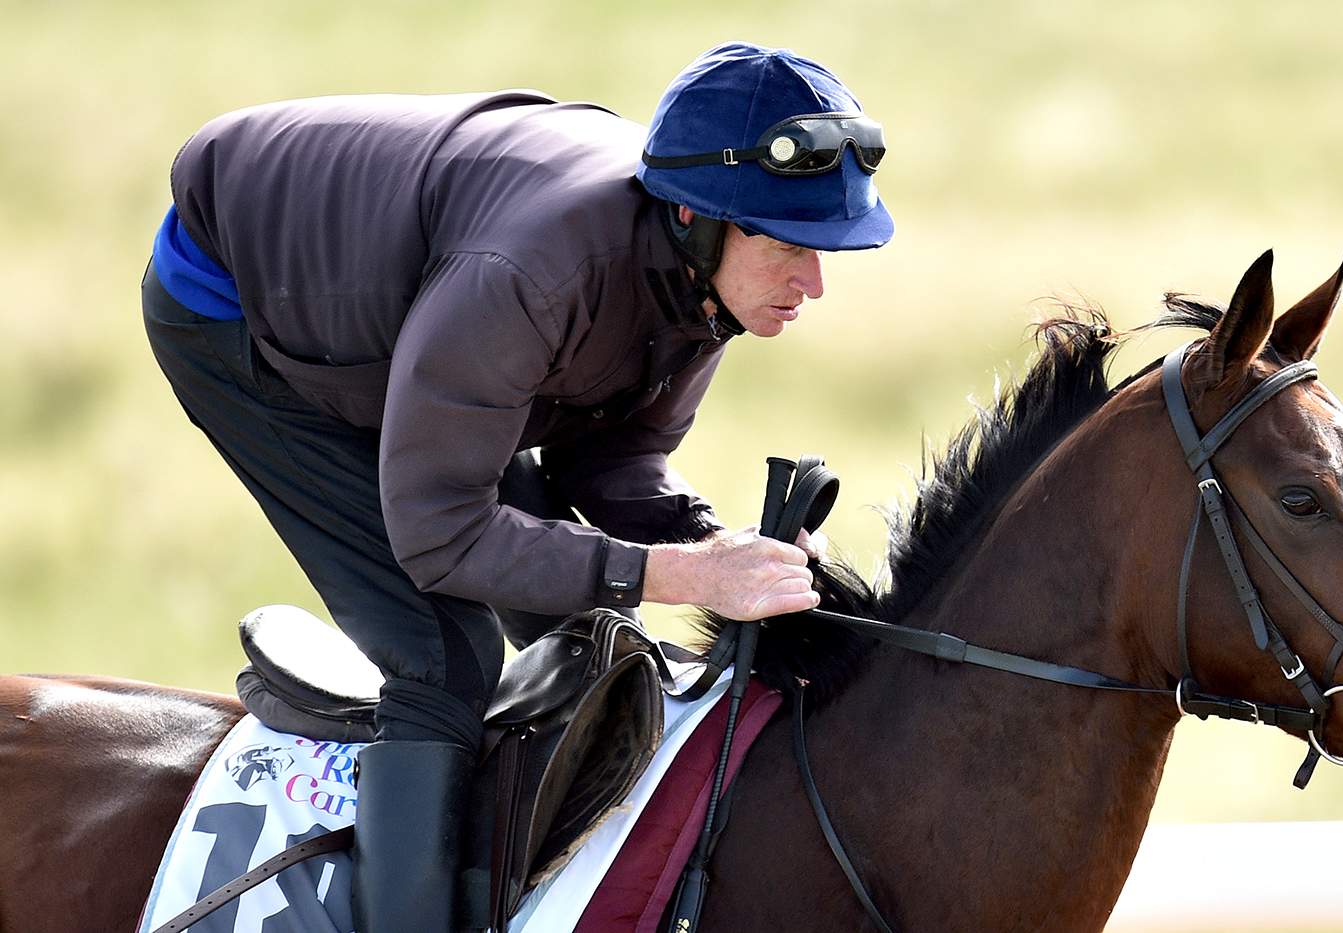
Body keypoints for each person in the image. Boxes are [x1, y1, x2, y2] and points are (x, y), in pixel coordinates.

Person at [141, 41, 892, 930]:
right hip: (237, 307)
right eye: (786, 244)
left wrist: (719, 546)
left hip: (421, 308)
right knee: (444, 653)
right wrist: (684, 576)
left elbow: (607, 464)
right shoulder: (538, 273)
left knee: (579, 631)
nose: (813, 282)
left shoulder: (700, 282)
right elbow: (441, 532)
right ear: (695, 215)